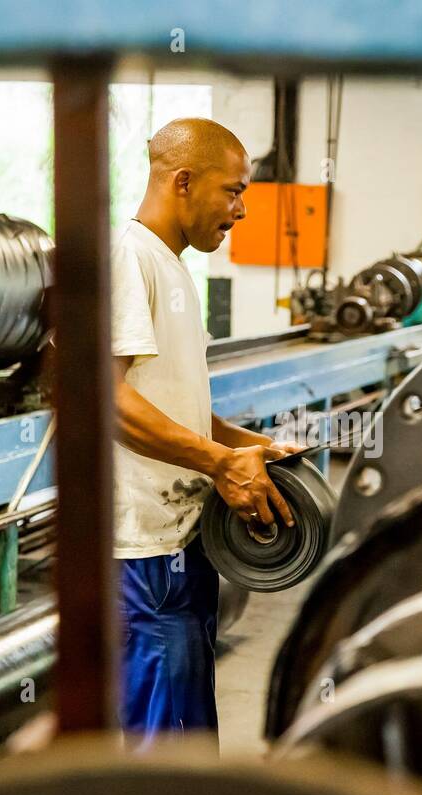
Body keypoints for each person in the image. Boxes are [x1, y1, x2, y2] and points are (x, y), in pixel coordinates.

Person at [111, 117, 302, 745]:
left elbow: (178, 408)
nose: (243, 209)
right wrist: (220, 464)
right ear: (184, 181)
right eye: (235, 190)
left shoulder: (170, 268)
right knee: (160, 742)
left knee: (187, 736)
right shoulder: (128, 258)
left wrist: (247, 448)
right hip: (144, 553)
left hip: (182, 544)